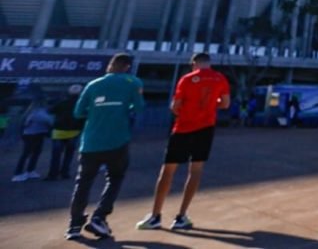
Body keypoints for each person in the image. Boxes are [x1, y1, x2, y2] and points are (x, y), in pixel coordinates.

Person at [136, 52, 230, 232]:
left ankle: (155, 215)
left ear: (194, 63)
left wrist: (186, 112)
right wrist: (211, 106)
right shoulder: (220, 78)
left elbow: (175, 106)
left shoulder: (187, 79)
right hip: (206, 128)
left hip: (183, 128)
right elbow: (225, 104)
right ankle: (181, 216)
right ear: (209, 63)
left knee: (168, 171)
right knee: (195, 171)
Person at [65, 53, 145, 240]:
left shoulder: (93, 84)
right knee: (115, 178)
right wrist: (123, 108)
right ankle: (99, 217)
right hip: (117, 141)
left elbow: (78, 112)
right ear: (126, 66)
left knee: (83, 182)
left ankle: (74, 225)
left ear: (111, 65)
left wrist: (99, 110)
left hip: (90, 142)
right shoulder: (133, 82)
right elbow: (139, 108)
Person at [46, 84, 85, 181]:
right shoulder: (82, 105)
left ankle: (53, 174)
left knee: (56, 155)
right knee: (69, 154)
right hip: (74, 132)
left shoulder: (62, 102)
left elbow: (50, 111)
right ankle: (65, 172)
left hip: (58, 132)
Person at [11, 97, 53, 182]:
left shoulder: (31, 112)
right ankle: (18, 173)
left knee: (34, 153)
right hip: (34, 135)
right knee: (27, 154)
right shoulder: (39, 112)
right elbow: (49, 121)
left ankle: (30, 171)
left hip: (33, 134)